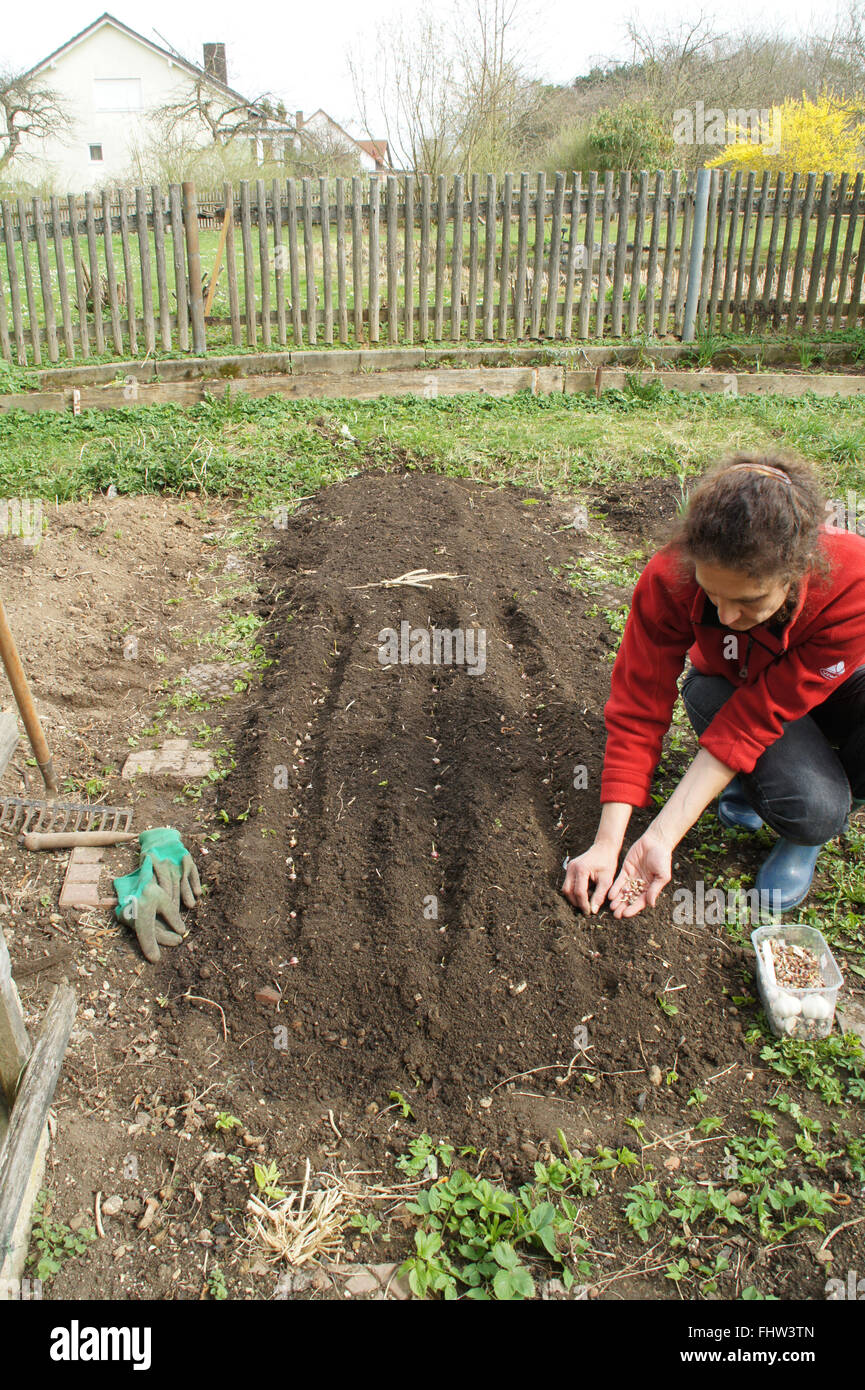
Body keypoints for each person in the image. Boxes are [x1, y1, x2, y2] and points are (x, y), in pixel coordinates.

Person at [562, 454, 865, 920]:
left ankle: (805, 836)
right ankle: (759, 782)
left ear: (797, 569)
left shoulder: (853, 583)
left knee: (819, 814)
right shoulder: (670, 575)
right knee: (811, 801)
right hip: (731, 683)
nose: (724, 618)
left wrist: (662, 835)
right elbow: (639, 707)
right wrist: (614, 843)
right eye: (712, 593)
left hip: (826, 683)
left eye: (747, 601)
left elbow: (766, 712)